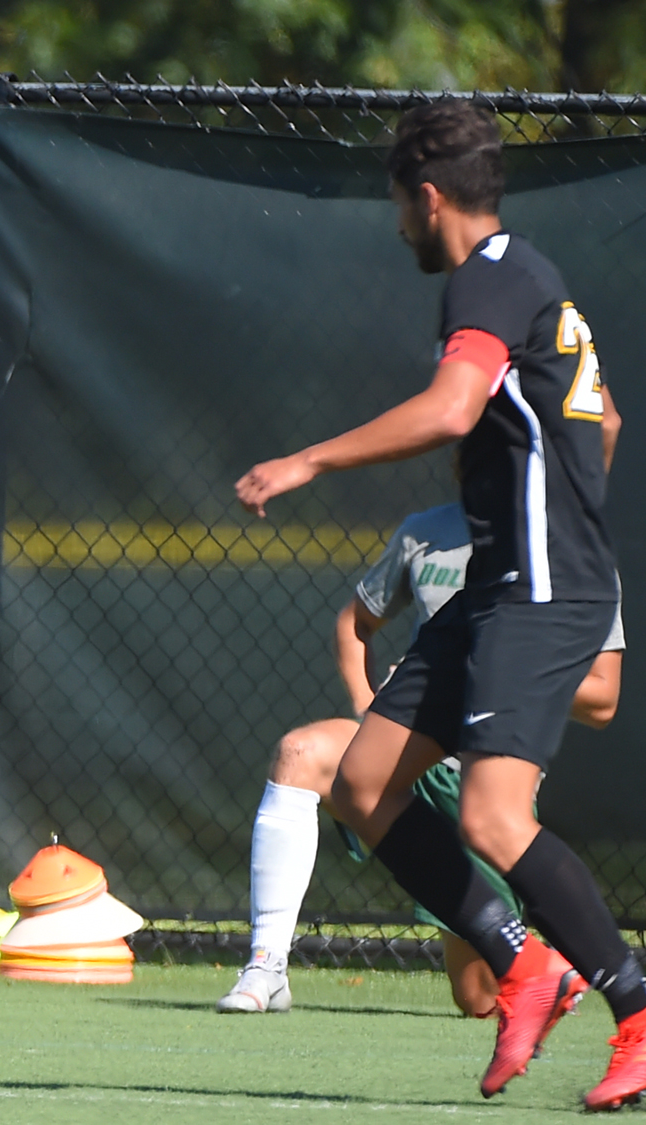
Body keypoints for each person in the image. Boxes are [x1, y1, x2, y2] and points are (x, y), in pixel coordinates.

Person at [236, 98, 644, 1109]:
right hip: (502, 582)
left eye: (396, 206)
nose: (395, 227)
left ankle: (635, 1008)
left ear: (425, 197)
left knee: (491, 817)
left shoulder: (488, 276)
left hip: (541, 590)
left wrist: (306, 459)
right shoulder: (524, 281)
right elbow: (602, 420)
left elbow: (452, 406)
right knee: (365, 784)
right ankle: (521, 966)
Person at [217, 499, 623, 1017]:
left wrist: (485, 678)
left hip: (484, 782)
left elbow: (602, 699)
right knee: (301, 753)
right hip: (402, 753)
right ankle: (266, 966)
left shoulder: (577, 553)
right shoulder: (425, 532)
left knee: (480, 1000)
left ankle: (565, 963)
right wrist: (372, 709)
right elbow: (353, 622)